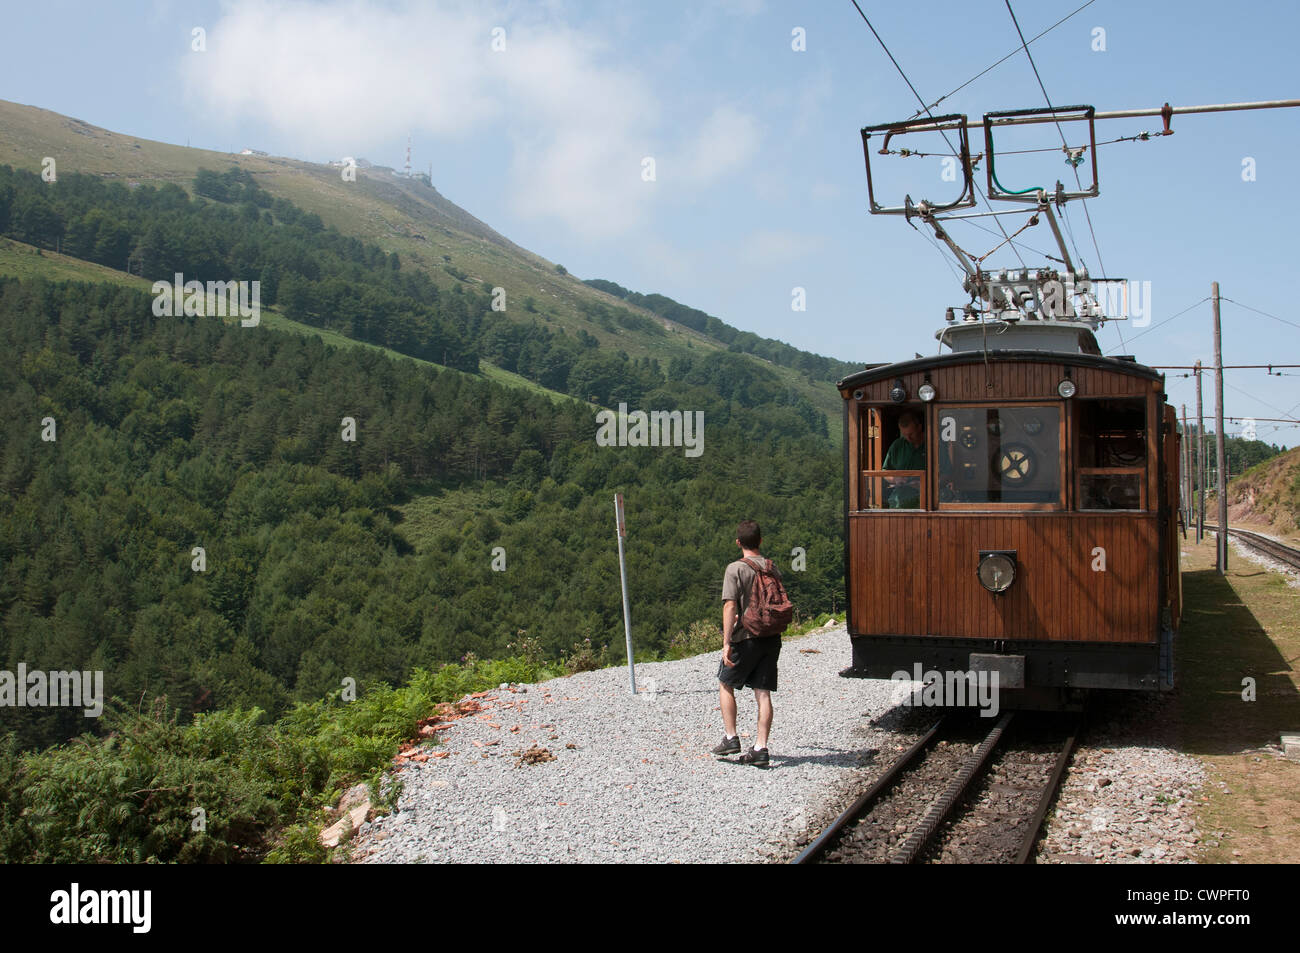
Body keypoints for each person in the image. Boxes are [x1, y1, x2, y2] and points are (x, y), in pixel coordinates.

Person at [711, 519, 782, 766]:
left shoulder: (735, 569)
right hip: (771, 638)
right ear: (760, 541)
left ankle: (731, 737)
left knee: (725, 683)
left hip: (746, 637)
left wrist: (727, 641)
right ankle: (761, 748)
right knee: (762, 693)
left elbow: (730, 605)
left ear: (738, 542)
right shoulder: (772, 567)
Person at [883, 409, 926, 508]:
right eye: (904, 434)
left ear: (919, 427)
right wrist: (895, 479)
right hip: (899, 502)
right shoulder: (897, 445)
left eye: (911, 434)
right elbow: (885, 472)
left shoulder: (933, 444)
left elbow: (947, 474)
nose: (908, 438)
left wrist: (925, 484)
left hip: (928, 501)